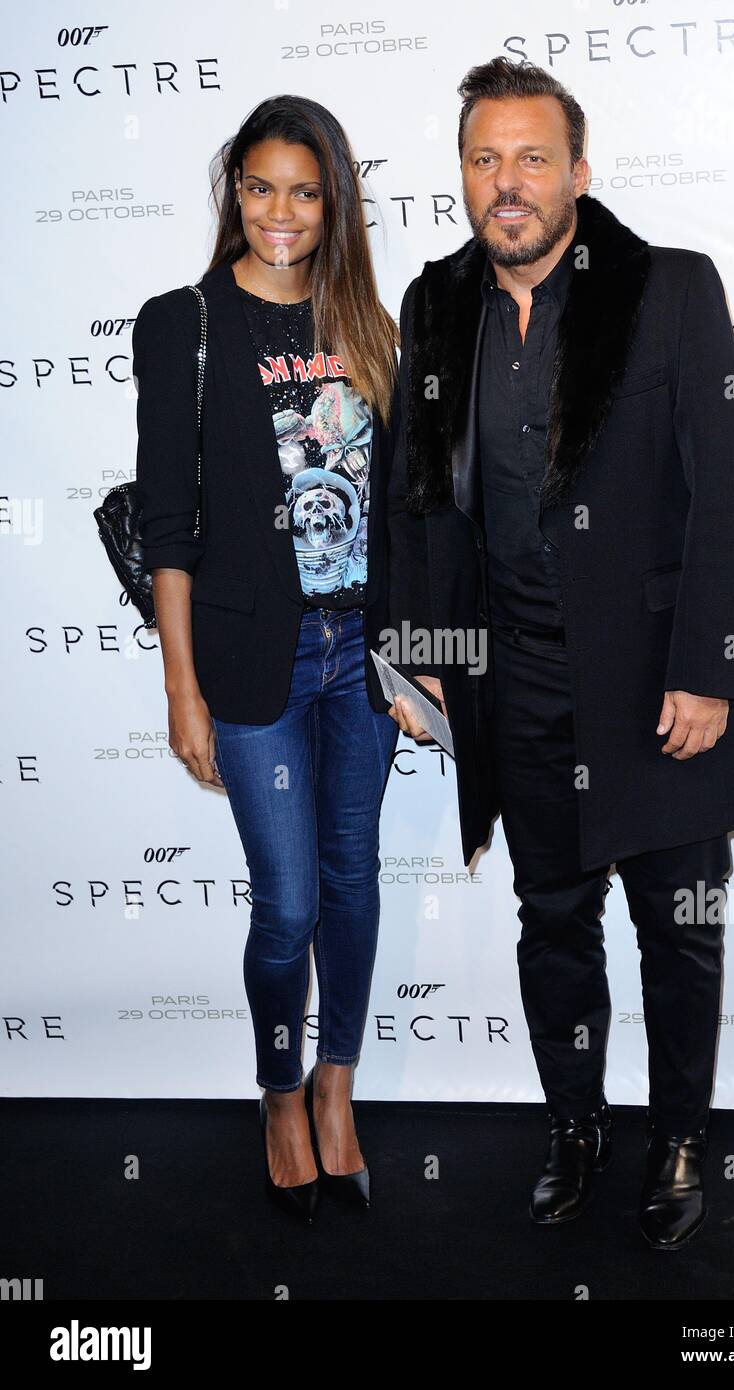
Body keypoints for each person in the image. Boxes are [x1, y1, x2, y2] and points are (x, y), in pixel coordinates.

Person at [387, 57, 734, 1249]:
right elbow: (418, 503)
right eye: (484, 159)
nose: (507, 183)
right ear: (462, 175)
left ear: (577, 170)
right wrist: (422, 655)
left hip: (656, 683)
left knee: (676, 926)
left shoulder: (668, 290)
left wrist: (707, 665)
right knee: (551, 922)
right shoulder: (434, 305)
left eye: (530, 157)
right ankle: (575, 1123)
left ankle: (680, 1133)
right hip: (517, 684)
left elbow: (722, 489)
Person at [132, 95, 400, 1224]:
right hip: (252, 663)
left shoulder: (372, 329)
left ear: (332, 198)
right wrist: (180, 686)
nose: (279, 212)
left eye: (302, 189)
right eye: (257, 186)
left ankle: (336, 1086)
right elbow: (171, 528)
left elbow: (409, 512)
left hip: (361, 658)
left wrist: (420, 660)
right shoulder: (182, 323)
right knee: (285, 902)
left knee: (351, 879)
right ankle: (278, 1092)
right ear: (230, 190)